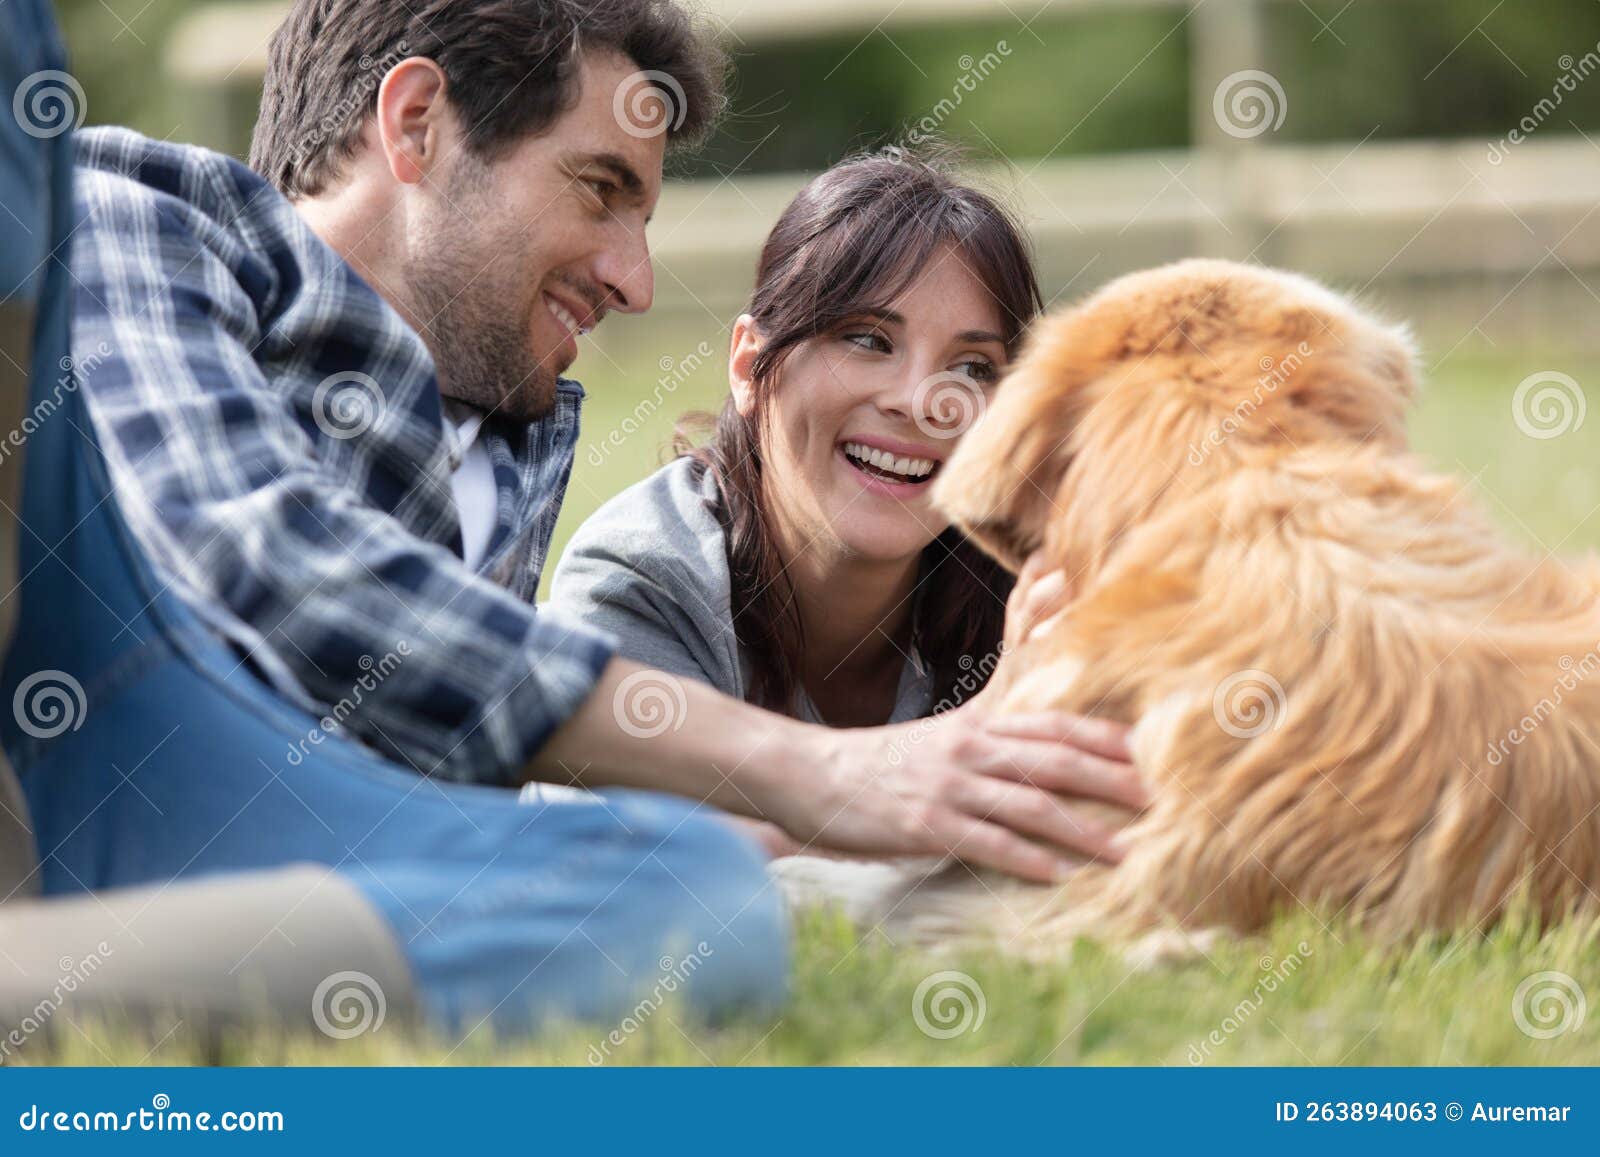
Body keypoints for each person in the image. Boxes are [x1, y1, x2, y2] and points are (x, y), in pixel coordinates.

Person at [5, 0, 1142, 1032]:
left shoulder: (500, 443)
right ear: (416, 125)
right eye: (600, 190)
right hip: (68, 752)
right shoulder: (133, 220)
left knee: (695, 897)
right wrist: (825, 775)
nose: (636, 279)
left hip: (228, 863)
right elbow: (255, 550)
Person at [550, 150, 1146, 852]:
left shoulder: (1043, 576)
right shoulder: (640, 580)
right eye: (867, 339)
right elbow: (654, 869)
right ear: (749, 365)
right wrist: (995, 737)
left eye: (973, 366)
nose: (922, 402)